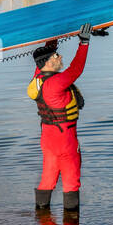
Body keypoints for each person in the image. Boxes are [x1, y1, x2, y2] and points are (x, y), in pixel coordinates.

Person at [29, 22, 94, 211]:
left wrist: (53, 39)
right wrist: (84, 43)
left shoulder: (38, 79)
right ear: (49, 62)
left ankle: (43, 222)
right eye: (57, 55)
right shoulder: (56, 83)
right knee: (71, 183)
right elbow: (76, 69)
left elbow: (45, 56)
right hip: (66, 141)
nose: (61, 57)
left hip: (48, 141)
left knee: (48, 179)